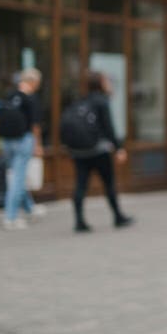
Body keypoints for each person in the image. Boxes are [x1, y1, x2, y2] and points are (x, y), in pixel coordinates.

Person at [67, 72, 133, 233]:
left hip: (79, 151)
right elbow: (109, 128)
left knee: (81, 185)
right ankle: (118, 216)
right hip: (99, 150)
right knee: (109, 183)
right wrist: (118, 148)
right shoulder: (102, 101)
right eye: (106, 81)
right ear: (101, 83)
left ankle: (79, 221)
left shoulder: (81, 100)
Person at [0, 68, 47, 230]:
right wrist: (38, 145)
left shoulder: (10, 95)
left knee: (16, 176)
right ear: (33, 82)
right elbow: (35, 126)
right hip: (23, 140)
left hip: (7, 141)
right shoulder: (30, 99)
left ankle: (30, 209)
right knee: (17, 179)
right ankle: (10, 217)